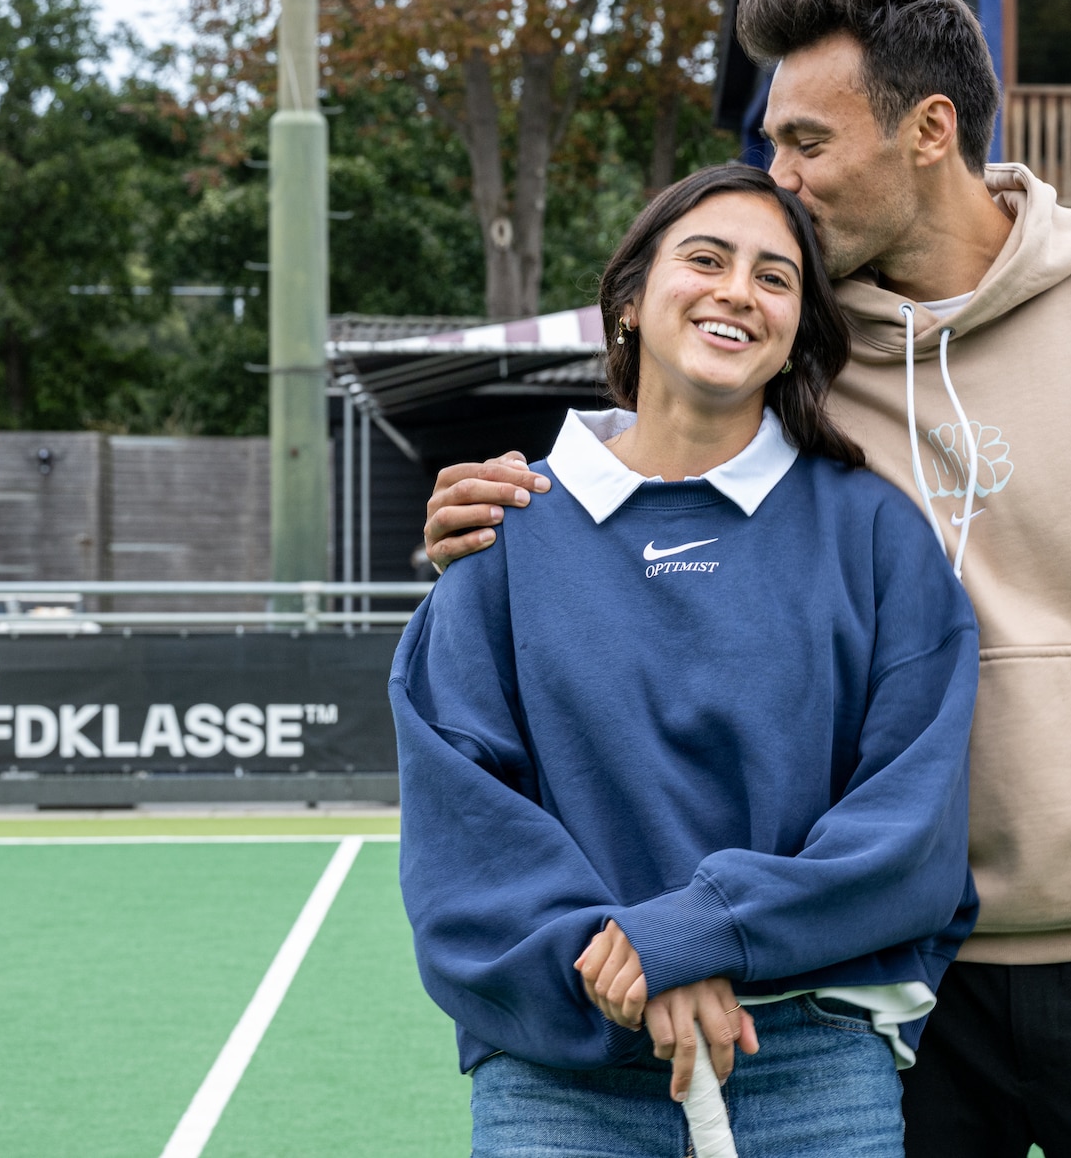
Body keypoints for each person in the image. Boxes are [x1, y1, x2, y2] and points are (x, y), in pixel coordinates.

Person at [420, 0, 1071, 1157]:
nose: (776, 180)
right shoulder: (795, 356)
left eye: (805, 142)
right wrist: (499, 526)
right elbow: (650, 481)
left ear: (929, 130)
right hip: (881, 990)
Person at [390, 163, 980, 1158]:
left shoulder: (875, 533)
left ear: (798, 329)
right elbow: (464, 833)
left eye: (775, 277)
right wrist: (624, 962)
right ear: (627, 302)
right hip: (560, 1077)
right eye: (705, 259)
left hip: (811, 1063)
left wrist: (704, 930)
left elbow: (911, 827)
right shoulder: (504, 534)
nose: (737, 291)